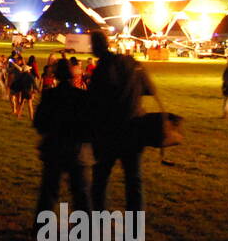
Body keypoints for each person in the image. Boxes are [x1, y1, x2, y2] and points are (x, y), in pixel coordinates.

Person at [87, 30, 155, 213]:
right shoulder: (132, 63)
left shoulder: (101, 69)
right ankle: (135, 227)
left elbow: (94, 101)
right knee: (134, 179)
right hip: (134, 130)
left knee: (101, 177)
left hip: (108, 131)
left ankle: (98, 219)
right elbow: (150, 89)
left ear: (95, 46)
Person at [34, 58, 92, 222]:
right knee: (81, 196)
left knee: (48, 194)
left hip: (54, 149)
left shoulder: (49, 96)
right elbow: (90, 125)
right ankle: (85, 237)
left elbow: (39, 123)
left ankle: (42, 233)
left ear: (56, 76)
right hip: (77, 150)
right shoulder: (82, 96)